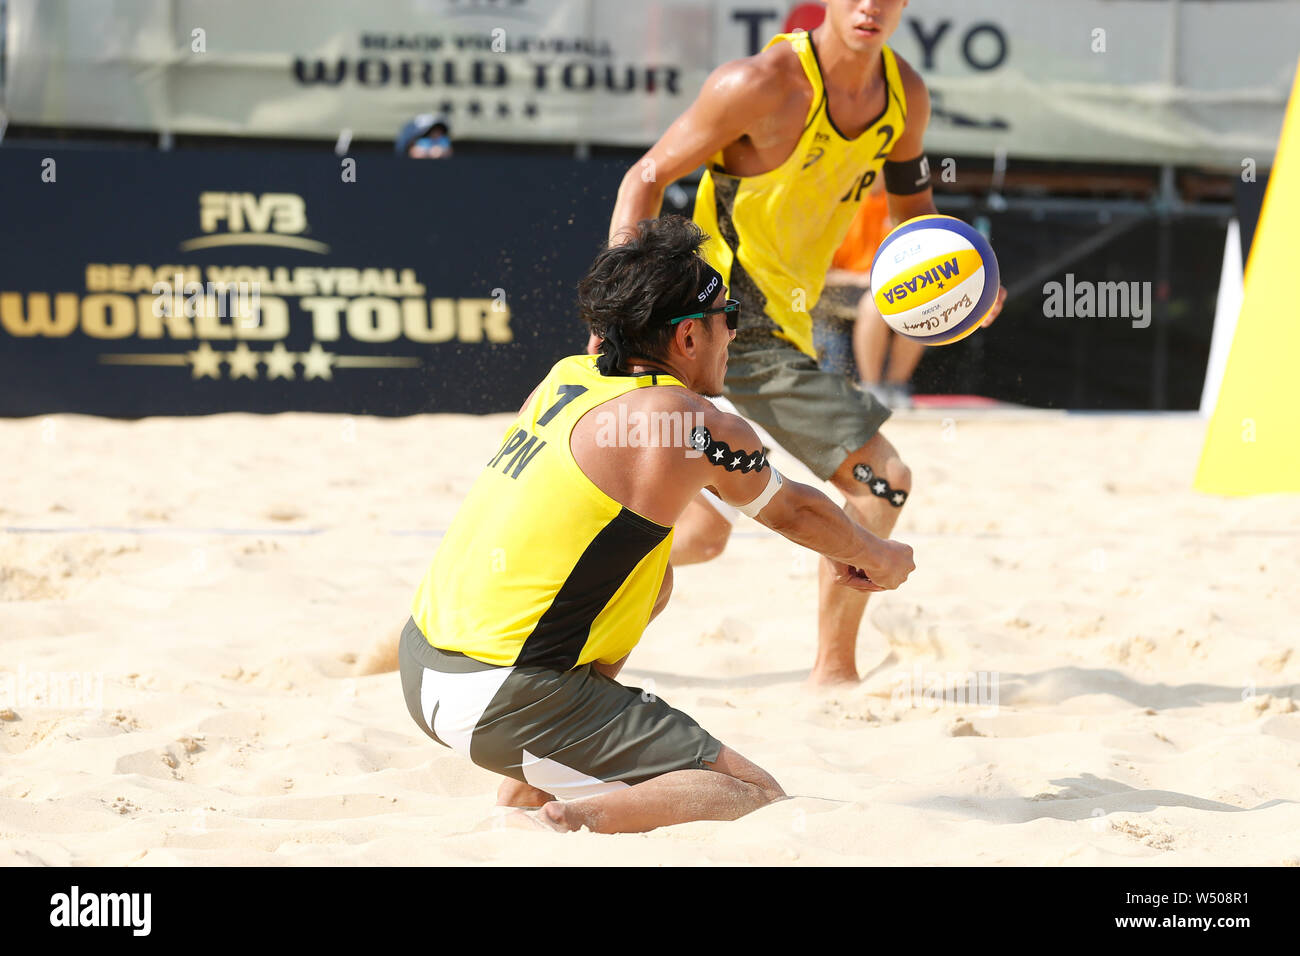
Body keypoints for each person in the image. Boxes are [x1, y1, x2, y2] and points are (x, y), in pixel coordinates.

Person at [399, 216, 914, 833]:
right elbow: (795, 511)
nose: (735, 332)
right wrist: (875, 553)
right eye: (731, 316)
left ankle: (524, 787)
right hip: (501, 700)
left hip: (421, 667)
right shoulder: (693, 421)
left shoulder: (566, 377)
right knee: (749, 795)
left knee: (654, 580)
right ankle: (571, 818)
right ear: (689, 337)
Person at [603, 0, 1005, 686]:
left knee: (699, 534)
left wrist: (963, 279)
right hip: (726, 314)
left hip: (780, 325)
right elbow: (645, 176)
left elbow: (911, 217)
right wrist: (617, 309)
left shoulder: (903, 94)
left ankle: (571, 609)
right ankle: (835, 674)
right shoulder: (761, 84)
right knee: (883, 477)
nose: (872, 4)